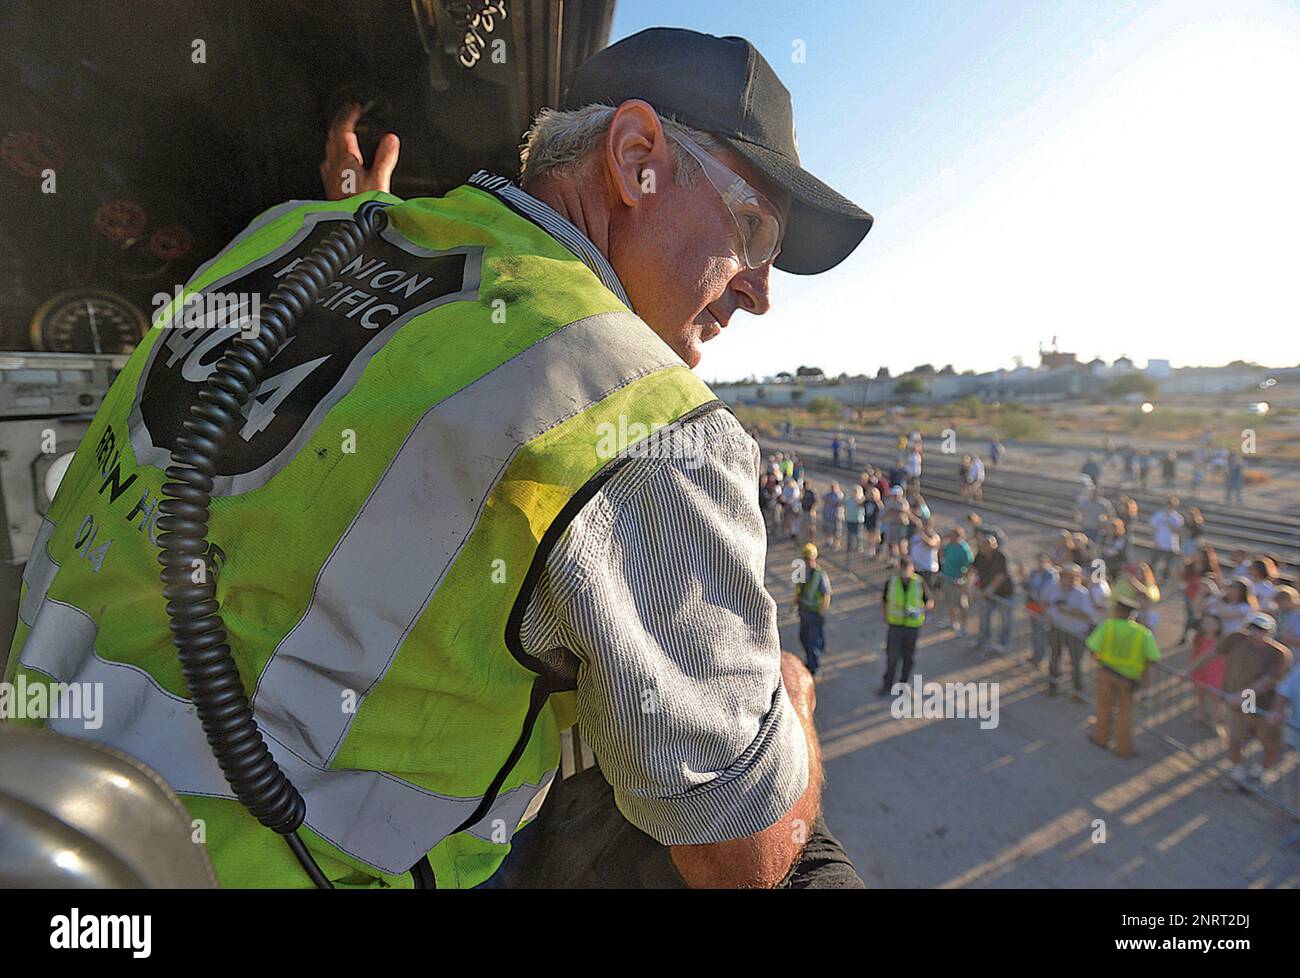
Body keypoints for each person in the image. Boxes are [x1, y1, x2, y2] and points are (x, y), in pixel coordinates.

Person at [9, 27, 875, 889]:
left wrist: (354, 210)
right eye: (755, 231)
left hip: (43, 805)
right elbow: (739, 859)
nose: (761, 292)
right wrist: (793, 709)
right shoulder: (646, 421)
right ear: (637, 156)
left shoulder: (279, 239)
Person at [1218, 613, 1293, 783]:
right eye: (1252, 627)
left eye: (1261, 629)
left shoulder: (1279, 653)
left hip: (1265, 705)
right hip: (1244, 701)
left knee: (1267, 740)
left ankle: (1259, 771)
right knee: (1236, 737)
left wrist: (1240, 696)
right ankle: (1237, 771)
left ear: (1271, 632)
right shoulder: (1237, 640)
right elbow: (1215, 652)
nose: (1255, 632)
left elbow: (1267, 681)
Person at [1087, 591, 1161, 758]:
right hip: (1129, 680)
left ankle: (1100, 738)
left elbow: (1093, 646)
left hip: (1106, 672)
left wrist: (1099, 659)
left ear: (1118, 611)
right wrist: (1142, 670)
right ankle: (1123, 748)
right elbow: (1154, 657)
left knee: (1104, 708)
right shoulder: (1144, 633)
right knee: (1125, 715)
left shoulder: (1109, 626)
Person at [878, 557, 935, 695]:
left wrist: (921, 610)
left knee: (908, 657)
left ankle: (903, 684)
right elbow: (884, 601)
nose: (905, 572)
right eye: (902, 568)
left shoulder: (919, 583)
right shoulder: (891, 582)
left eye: (907, 568)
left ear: (912, 568)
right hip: (895, 626)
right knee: (892, 657)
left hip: (912, 627)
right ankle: (887, 685)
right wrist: (886, 617)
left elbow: (930, 602)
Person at [1046, 563, 1097, 694]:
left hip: (1075, 632)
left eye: (1075, 577)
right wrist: (1049, 614)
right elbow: (1046, 602)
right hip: (1057, 628)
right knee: (1054, 658)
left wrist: (1069, 611)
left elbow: (1088, 615)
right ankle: (1053, 686)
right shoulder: (1053, 588)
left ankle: (1077, 691)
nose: (1072, 580)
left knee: (1076, 663)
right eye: (1069, 577)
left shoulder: (1082, 593)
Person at [793, 544, 833, 679]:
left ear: (814, 558)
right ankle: (810, 662)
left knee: (813, 642)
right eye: (805, 559)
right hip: (803, 612)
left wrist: (822, 612)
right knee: (803, 637)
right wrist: (793, 605)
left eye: (809, 559)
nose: (806, 561)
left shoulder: (820, 575)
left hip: (815, 614)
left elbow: (826, 595)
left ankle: (815, 669)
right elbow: (797, 591)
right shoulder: (800, 572)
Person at [972, 532, 1015, 653]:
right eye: (981, 546)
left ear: (993, 546)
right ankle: (983, 641)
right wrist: (969, 585)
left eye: (985, 546)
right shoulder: (980, 555)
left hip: (1004, 594)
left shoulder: (1000, 556)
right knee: (984, 618)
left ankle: (1003, 644)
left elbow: (1000, 576)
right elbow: (973, 568)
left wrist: (988, 590)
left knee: (1006, 621)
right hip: (986, 594)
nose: (982, 549)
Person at [1186, 615, 1226, 727]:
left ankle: (1215, 719)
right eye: (1206, 623)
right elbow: (1193, 653)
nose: (1208, 625)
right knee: (1199, 694)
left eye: (1211, 623)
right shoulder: (1198, 638)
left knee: (1215, 697)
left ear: (1218, 626)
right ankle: (1200, 714)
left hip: (1216, 672)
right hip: (1200, 671)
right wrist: (1190, 667)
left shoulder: (1221, 641)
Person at [1022, 553, 1060, 669]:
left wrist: (1035, 594)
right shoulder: (1034, 573)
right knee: (1035, 633)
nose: (1040, 564)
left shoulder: (1051, 575)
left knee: (1042, 634)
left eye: (1043, 561)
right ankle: (1036, 655)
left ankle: (1040, 658)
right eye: (1039, 561)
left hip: (1044, 608)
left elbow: (1046, 591)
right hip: (1033, 606)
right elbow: (1028, 587)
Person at [939, 528, 976, 633]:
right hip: (947, 577)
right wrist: (942, 542)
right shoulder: (949, 545)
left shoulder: (964, 548)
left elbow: (970, 566)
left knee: (961, 603)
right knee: (950, 601)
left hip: (959, 581)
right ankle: (953, 621)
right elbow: (942, 555)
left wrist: (964, 580)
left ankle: (964, 626)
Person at [1149, 497, 1185, 581]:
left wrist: (1171, 526)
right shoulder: (1159, 515)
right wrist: (1154, 540)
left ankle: (1164, 579)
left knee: (1168, 564)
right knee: (1154, 562)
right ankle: (1150, 578)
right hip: (1159, 543)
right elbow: (1153, 528)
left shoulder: (1177, 517)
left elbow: (1179, 532)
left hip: (1171, 545)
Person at [843, 484, 866, 553]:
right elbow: (843, 504)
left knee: (859, 535)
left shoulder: (862, 499)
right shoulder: (848, 499)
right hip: (849, 519)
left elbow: (860, 505)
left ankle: (859, 547)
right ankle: (849, 546)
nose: (854, 493)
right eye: (853, 491)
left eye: (855, 491)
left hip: (858, 520)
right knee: (850, 534)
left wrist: (857, 499)